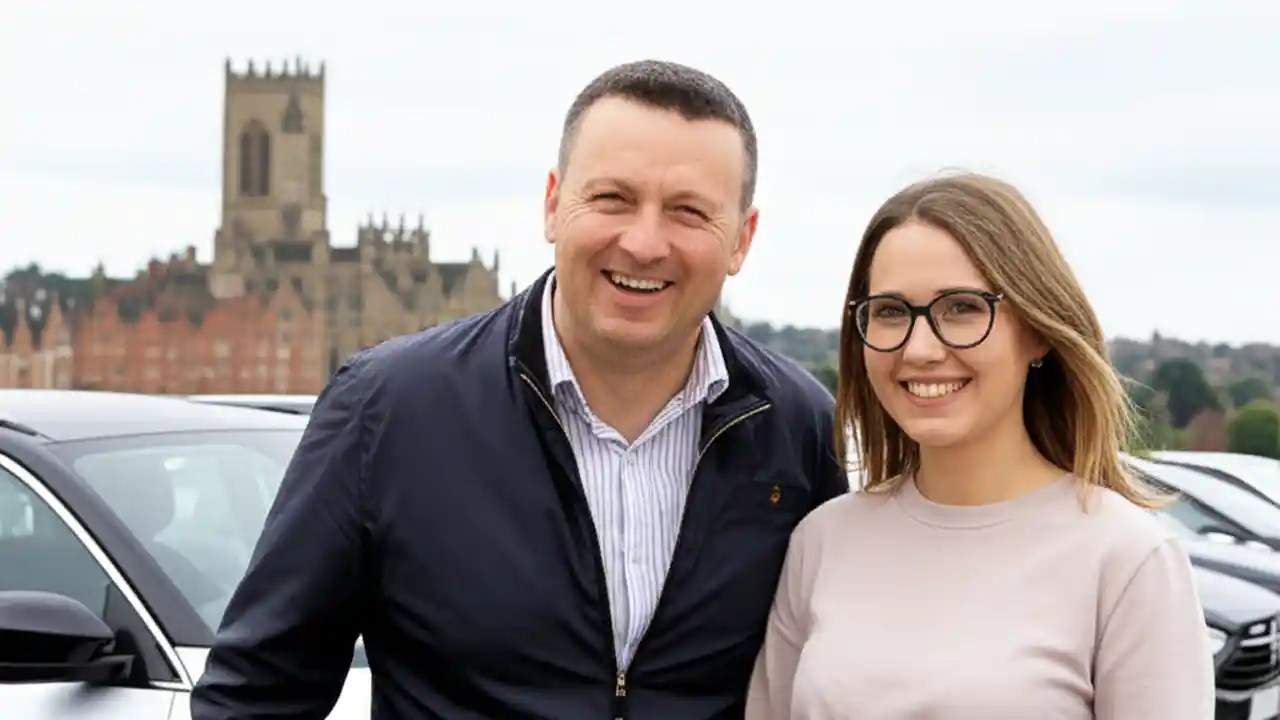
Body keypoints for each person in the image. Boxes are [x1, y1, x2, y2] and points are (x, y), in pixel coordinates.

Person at [189, 59, 848, 719]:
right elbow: (255, 698)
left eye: (688, 211)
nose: (645, 243)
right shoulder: (389, 410)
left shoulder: (797, 428)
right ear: (553, 204)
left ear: (742, 239)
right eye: (613, 198)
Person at [745, 172, 1216, 719]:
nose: (919, 349)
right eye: (891, 312)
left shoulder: (1127, 558)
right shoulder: (821, 542)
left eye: (963, 308)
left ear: (1038, 329)